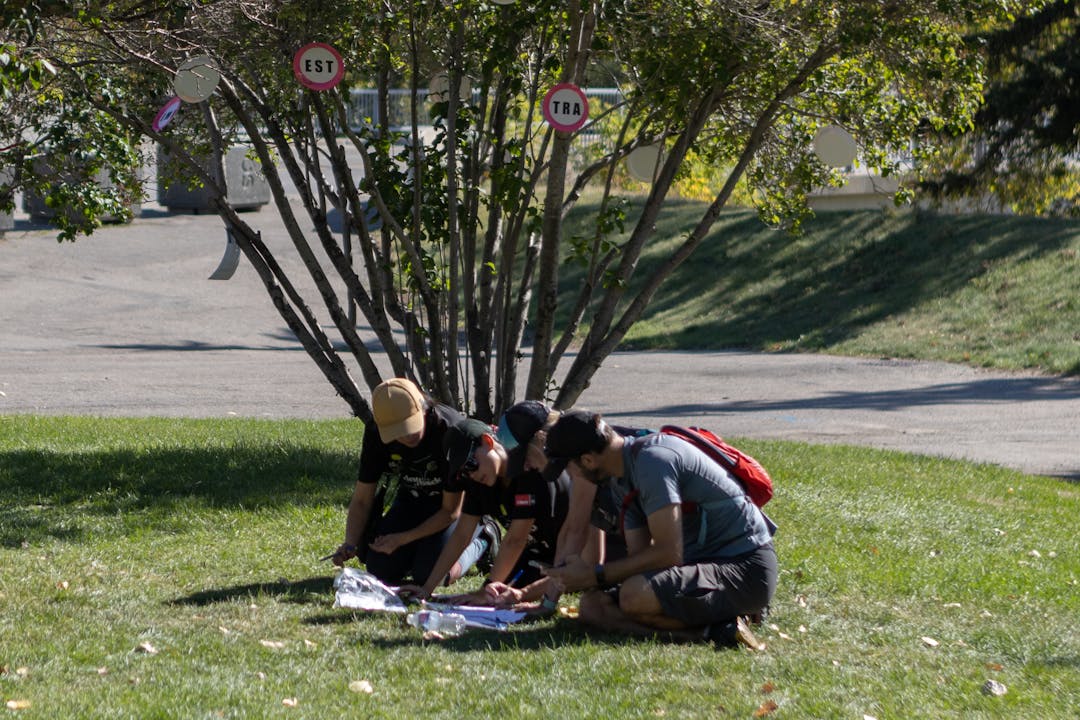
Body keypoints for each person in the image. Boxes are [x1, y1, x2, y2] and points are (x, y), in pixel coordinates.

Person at [542, 409, 777, 649]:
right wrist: (588, 576)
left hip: (746, 568)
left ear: (588, 460)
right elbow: (640, 560)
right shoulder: (622, 474)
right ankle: (711, 631)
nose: (570, 475)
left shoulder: (653, 462)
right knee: (592, 606)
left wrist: (595, 574)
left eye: (569, 468)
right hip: (703, 567)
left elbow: (667, 554)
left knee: (634, 595)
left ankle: (734, 612)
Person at [328, 377, 497, 586]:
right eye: (397, 432)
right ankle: (417, 552)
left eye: (410, 426)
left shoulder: (448, 431)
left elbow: (450, 511)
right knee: (379, 568)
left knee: (430, 574)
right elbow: (362, 498)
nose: (407, 436)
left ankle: (484, 538)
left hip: (451, 509)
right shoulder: (375, 435)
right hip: (411, 499)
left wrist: (401, 539)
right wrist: (350, 543)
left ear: (422, 407)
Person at [399, 403, 571, 604]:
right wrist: (427, 588)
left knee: (498, 596)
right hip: (536, 552)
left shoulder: (529, 468)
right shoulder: (479, 481)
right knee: (497, 594)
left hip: (567, 552)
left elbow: (516, 539)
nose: (471, 474)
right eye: (464, 472)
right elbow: (462, 534)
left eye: (471, 464)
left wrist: (487, 590)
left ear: (488, 441)